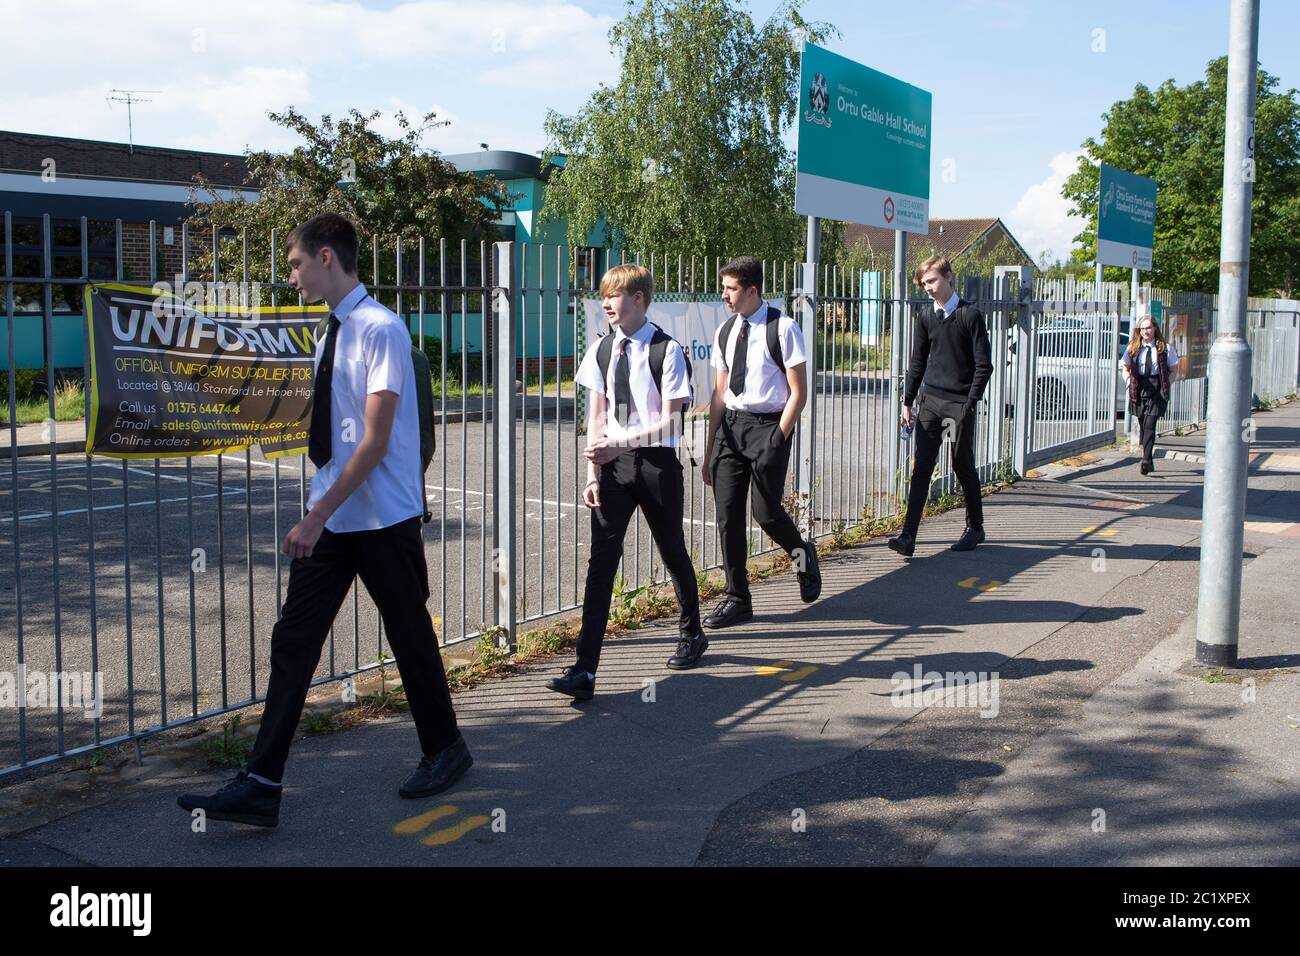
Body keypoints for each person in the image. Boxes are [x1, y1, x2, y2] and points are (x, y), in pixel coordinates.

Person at [178, 213, 470, 827]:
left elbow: (375, 439)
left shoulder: (380, 330)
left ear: (328, 258)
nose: (292, 277)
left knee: (409, 634)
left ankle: (446, 749)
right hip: (337, 518)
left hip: (382, 517)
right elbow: (332, 433)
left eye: (295, 264)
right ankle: (261, 784)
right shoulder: (329, 332)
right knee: (295, 642)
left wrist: (315, 516)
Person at [545, 264, 706, 700]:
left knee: (672, 551)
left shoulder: (666, 350)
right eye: (604, 296)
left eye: (614, 295)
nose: (606, 303)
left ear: (638, 298)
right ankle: (585, 669)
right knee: (601, 565)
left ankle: (692, 632)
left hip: (656, 464)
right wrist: (592, 474)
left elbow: (672, 422)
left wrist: (619, 446)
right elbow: (595, 415)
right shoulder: (600, 349)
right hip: (613, 468)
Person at [700, 255, 820, 629]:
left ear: (752, 290)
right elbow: (719, 394)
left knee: (766, 514)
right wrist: (708, 450)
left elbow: (799, 392)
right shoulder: (724, 331)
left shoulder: (782, 328)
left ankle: (803, 556)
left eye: (731, 288)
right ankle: (738, 598)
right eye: (724, 288)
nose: (725, 295)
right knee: (727, 518)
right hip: (731, 429)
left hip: (769, 426)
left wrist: (777, 438)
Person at [888, 255, 993, 559]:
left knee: (961, 464)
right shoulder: (925, 316)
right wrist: (907, 402)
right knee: (922, 466)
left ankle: (975, 527)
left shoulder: (969, 315)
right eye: (924, 284)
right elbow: (917, 362)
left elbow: (984, 365)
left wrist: (969, 404)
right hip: (930, 401)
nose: (928, 288)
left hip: (959, 403)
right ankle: (908, 536)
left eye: (932, 281)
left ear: (949, 277)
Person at [1120, 313, 1180, 475]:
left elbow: (1174, 369)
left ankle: (1145, 460)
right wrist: (1128, 382)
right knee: (1142, 423)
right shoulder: (1133, 348)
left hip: (1156, 388)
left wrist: (1166, 384)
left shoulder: (1164, 348)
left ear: (1154, 329)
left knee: (1150, 424)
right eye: (1143, 328)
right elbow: (1124, 367)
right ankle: (1149, 459)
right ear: (1139, 330)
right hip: (1138, 388)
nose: (1146, 331)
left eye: (1149, 327)